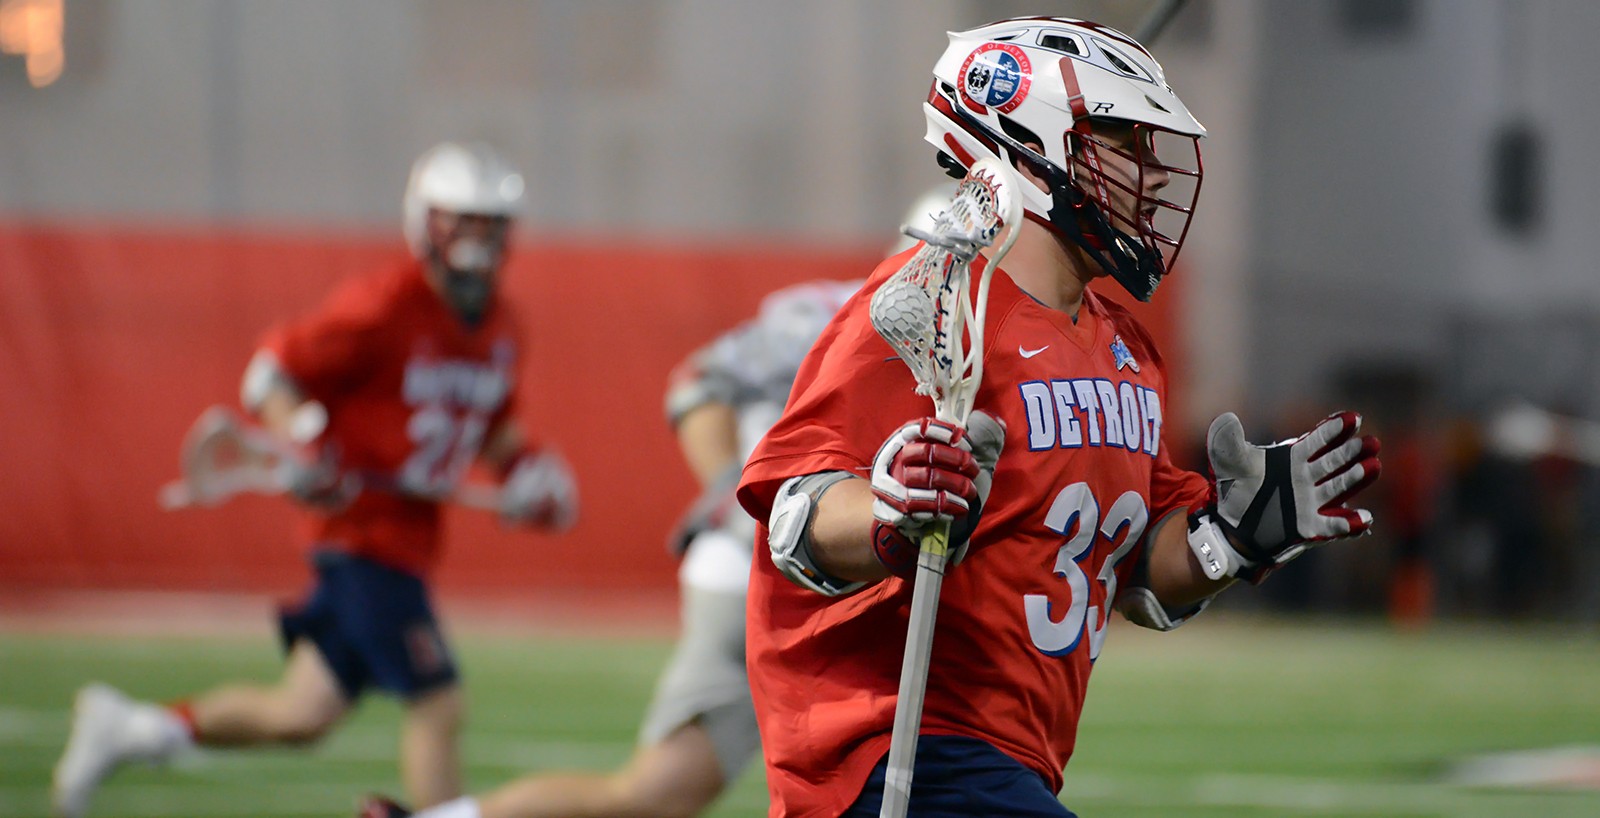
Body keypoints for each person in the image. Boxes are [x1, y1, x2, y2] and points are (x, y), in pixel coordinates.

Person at [734, 17, 1383, 818]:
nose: (1148, 176)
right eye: (1121, 141)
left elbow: (1134, 574)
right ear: (1029, 140)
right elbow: (793, 516)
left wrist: (1234, 536)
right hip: (892, 754)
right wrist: (891, 509)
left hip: (1011, 761)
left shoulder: (1124, 347)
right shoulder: (932, 307)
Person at [52, 141, 579, 818]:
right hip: (362, 536)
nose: (478, 239)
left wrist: (532, 475)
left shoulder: (505, 323)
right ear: (427, 222)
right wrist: (303, 438)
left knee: (301, 714)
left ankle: (130, 728)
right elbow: (271, 373)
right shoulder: (386, 302)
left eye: (490, 223)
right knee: (438, 700)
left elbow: (495, 426)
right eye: (463, 221)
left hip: (408, 539)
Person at [356, 276, 860, 818]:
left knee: (657, 795)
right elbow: (700, 380)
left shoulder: (867, 306)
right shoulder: (861, 309)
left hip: (774, 574)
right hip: (810, 579)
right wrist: (732, 492)